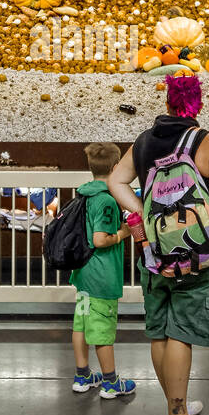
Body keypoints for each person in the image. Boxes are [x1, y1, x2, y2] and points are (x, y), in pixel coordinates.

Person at [106, 75, 209, 415]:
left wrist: (143, 214)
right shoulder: (205, 140)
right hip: (197, 252)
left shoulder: (143, 141)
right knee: (182, 331)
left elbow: (116, 182)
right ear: (198, 103)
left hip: (154, 253)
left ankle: (174, 406)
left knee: (160, 329)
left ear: (167, 102)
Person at [69, 142, 134, 399]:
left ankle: (82, 375)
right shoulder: (106, 200)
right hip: (102, 277)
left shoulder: (84, 194)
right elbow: (100, 239)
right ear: (117, 167)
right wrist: (123, 233)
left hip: (83, 275)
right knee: (103, 330)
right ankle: (110, 382)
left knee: (82, 326)